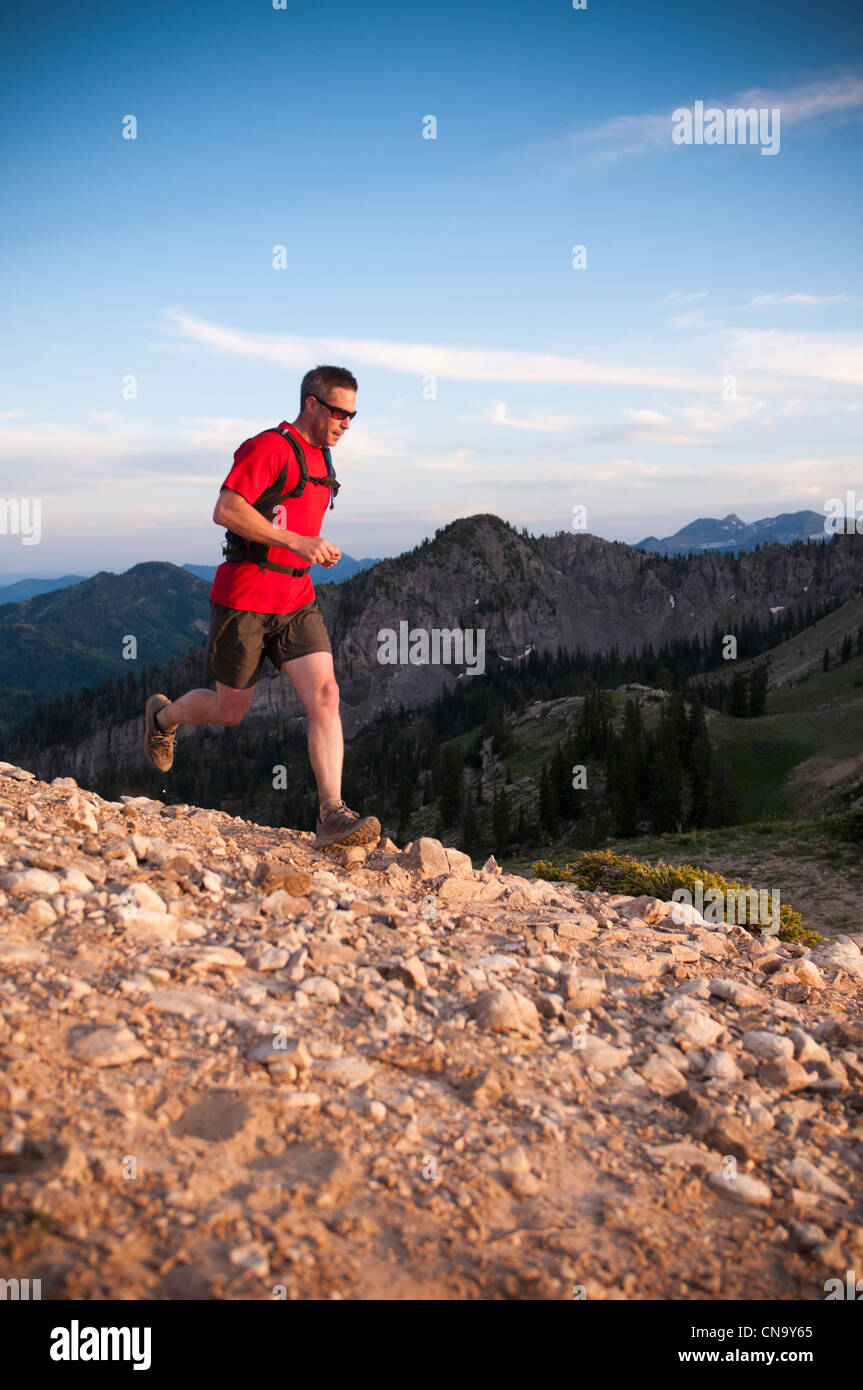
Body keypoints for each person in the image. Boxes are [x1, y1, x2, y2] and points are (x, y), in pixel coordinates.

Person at [142, 364, 380, 848]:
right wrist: (296, 540)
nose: (347, 424)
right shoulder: (269, 447)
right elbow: (226, 509)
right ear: (312, 403)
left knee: (327, 696)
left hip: (296, 599)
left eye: (354, 415)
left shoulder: (323, 458)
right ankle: (162, 719)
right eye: (339, 412)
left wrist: (314, 548)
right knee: (229, 710)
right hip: (245, 600)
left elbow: (292, 521)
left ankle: (331, 815)